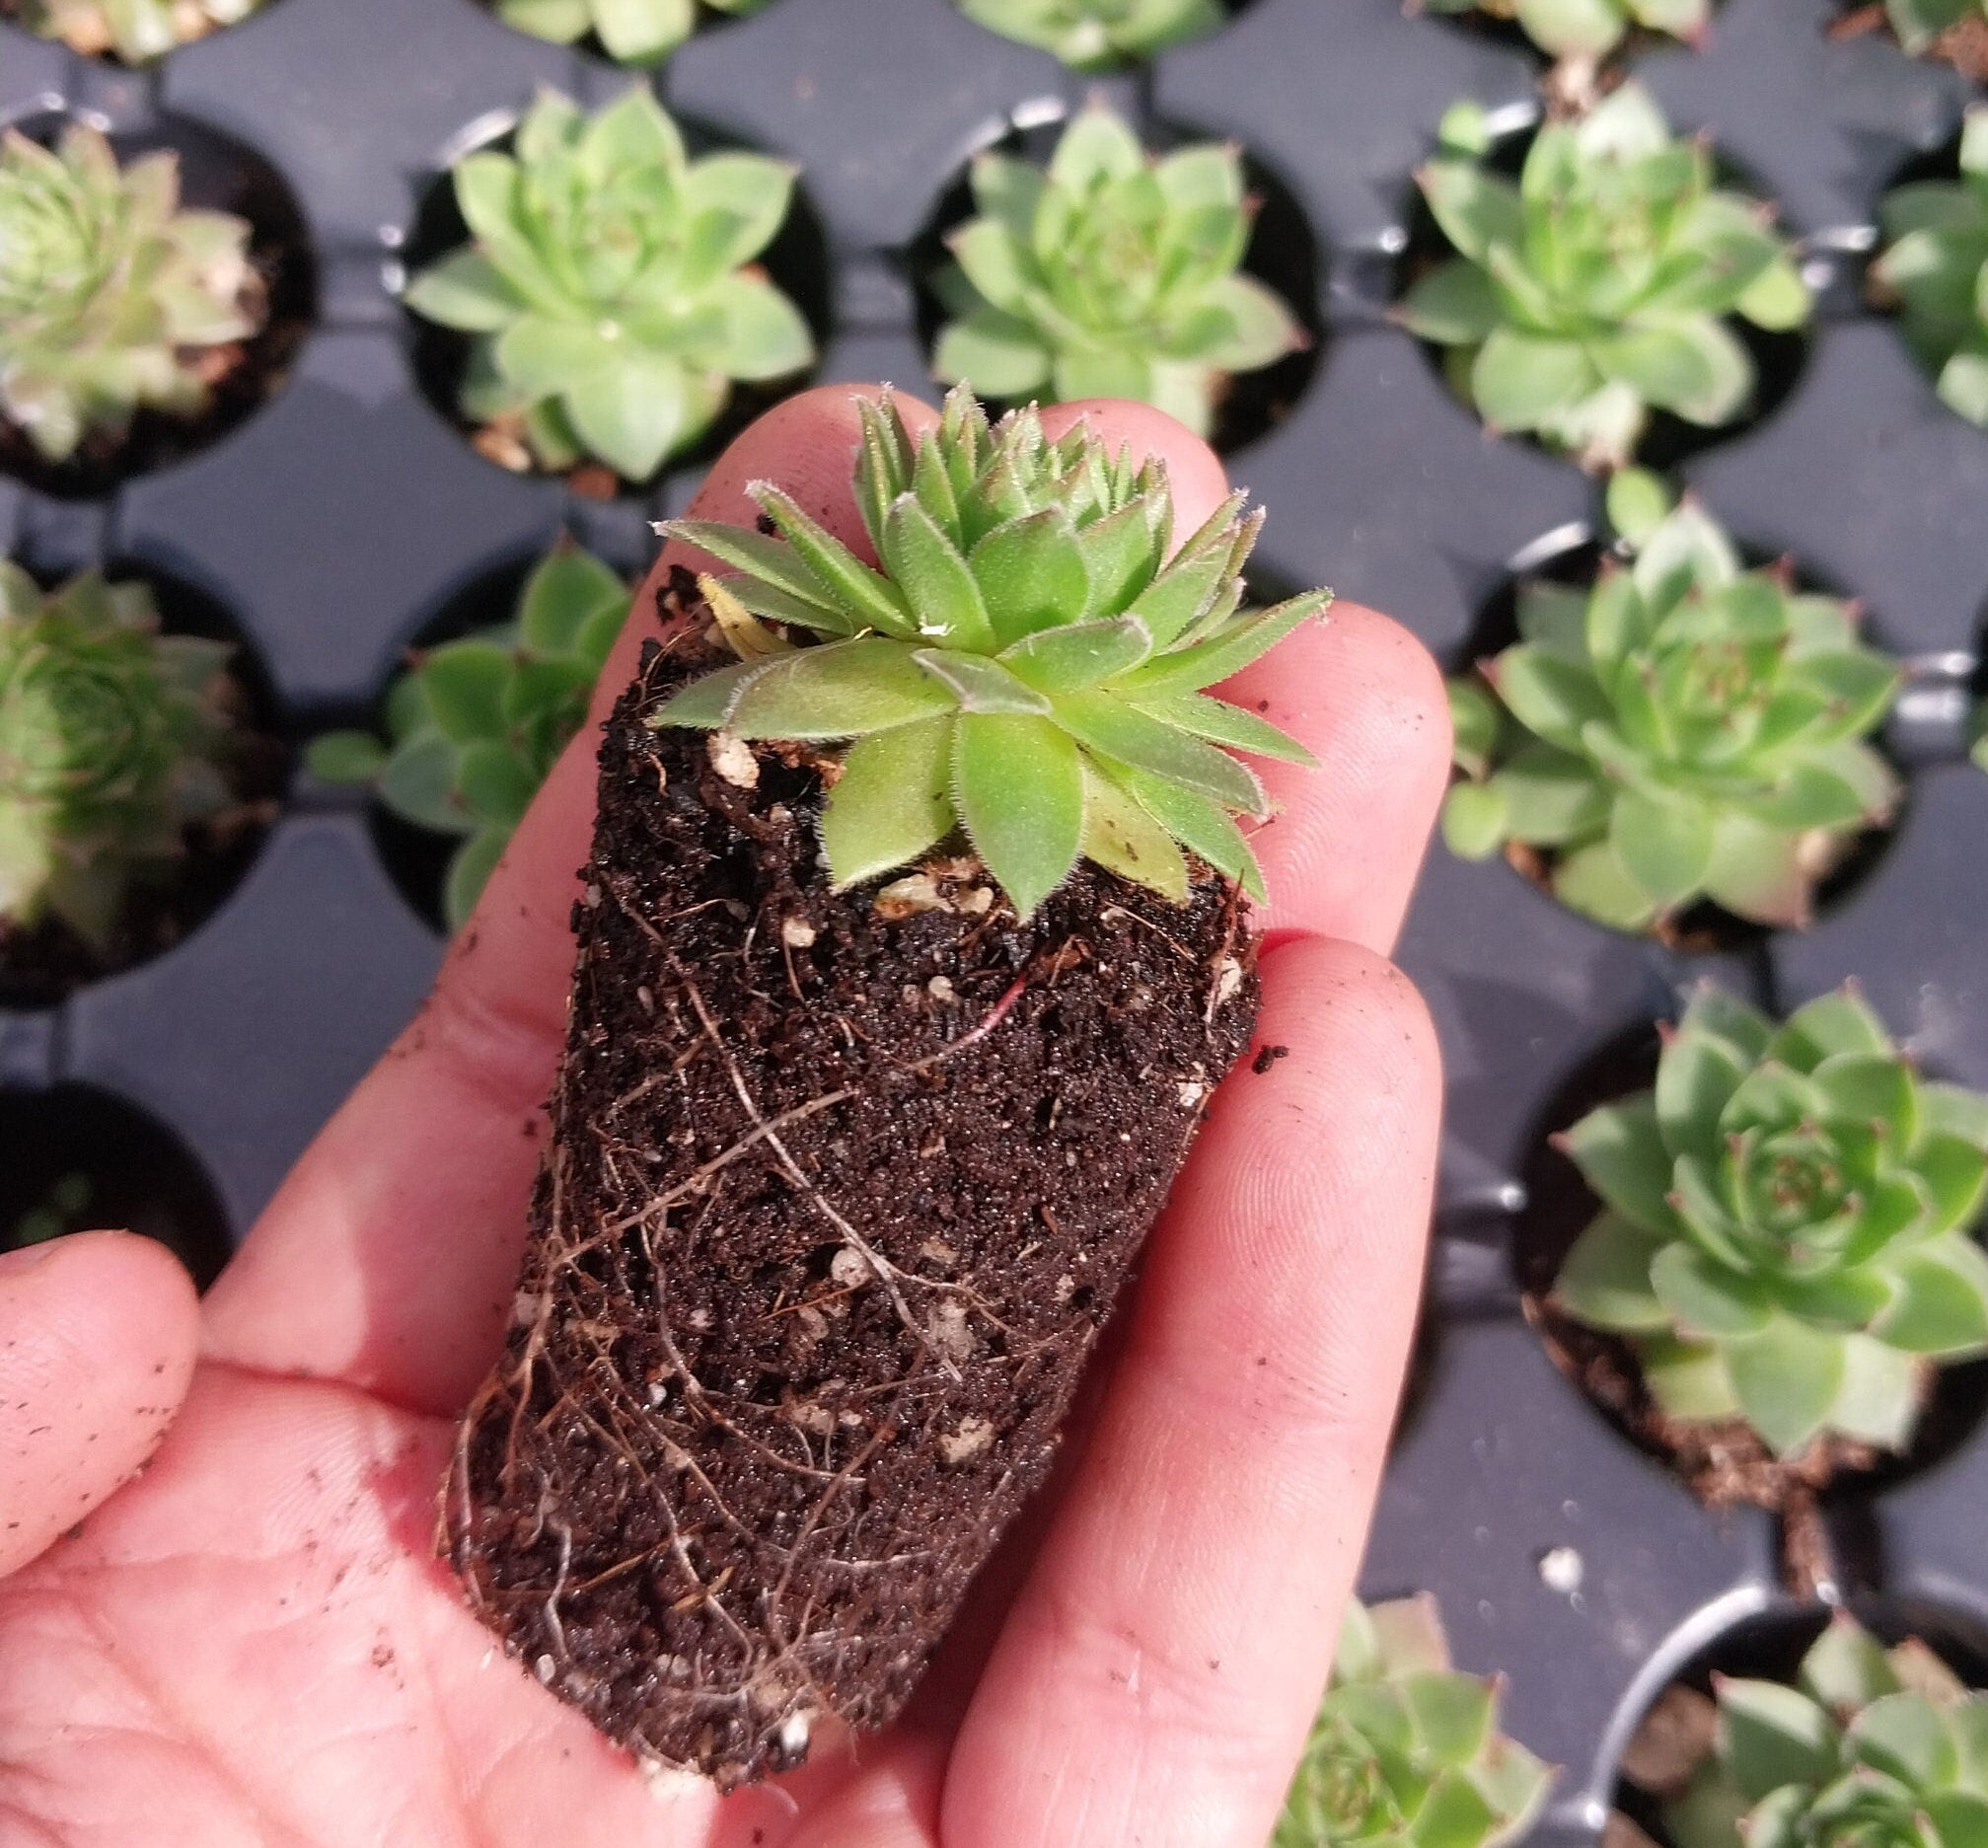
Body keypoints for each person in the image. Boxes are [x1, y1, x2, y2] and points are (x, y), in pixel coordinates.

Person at [0, 388, 1449, 1848]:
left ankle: (777, 1626)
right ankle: (578, 1538)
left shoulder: (1137, 897)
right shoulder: (765, 745)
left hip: (819, 1643)